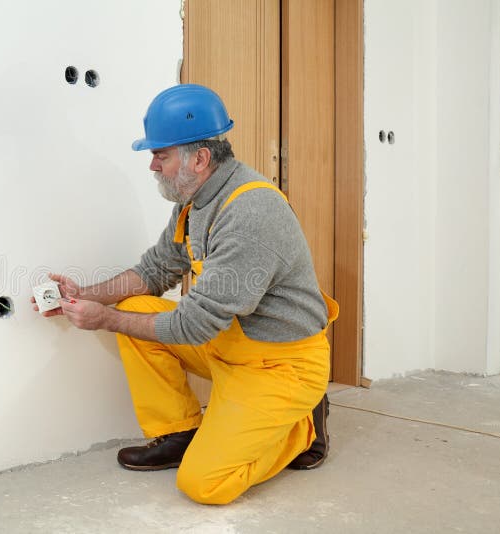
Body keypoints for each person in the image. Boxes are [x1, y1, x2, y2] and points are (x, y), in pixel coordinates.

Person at [33, 84, 338, 505]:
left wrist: (104, 319)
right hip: (229, 344)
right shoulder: (194, 203)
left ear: (200, 157)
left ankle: (302, 426)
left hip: (279, 364)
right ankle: (179, 432)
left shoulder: (250, 212)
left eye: (161, 154)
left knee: (204, 484)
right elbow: (154, 271)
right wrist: (86, 294)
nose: (153, 165)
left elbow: (194, 324)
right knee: (135, 307)